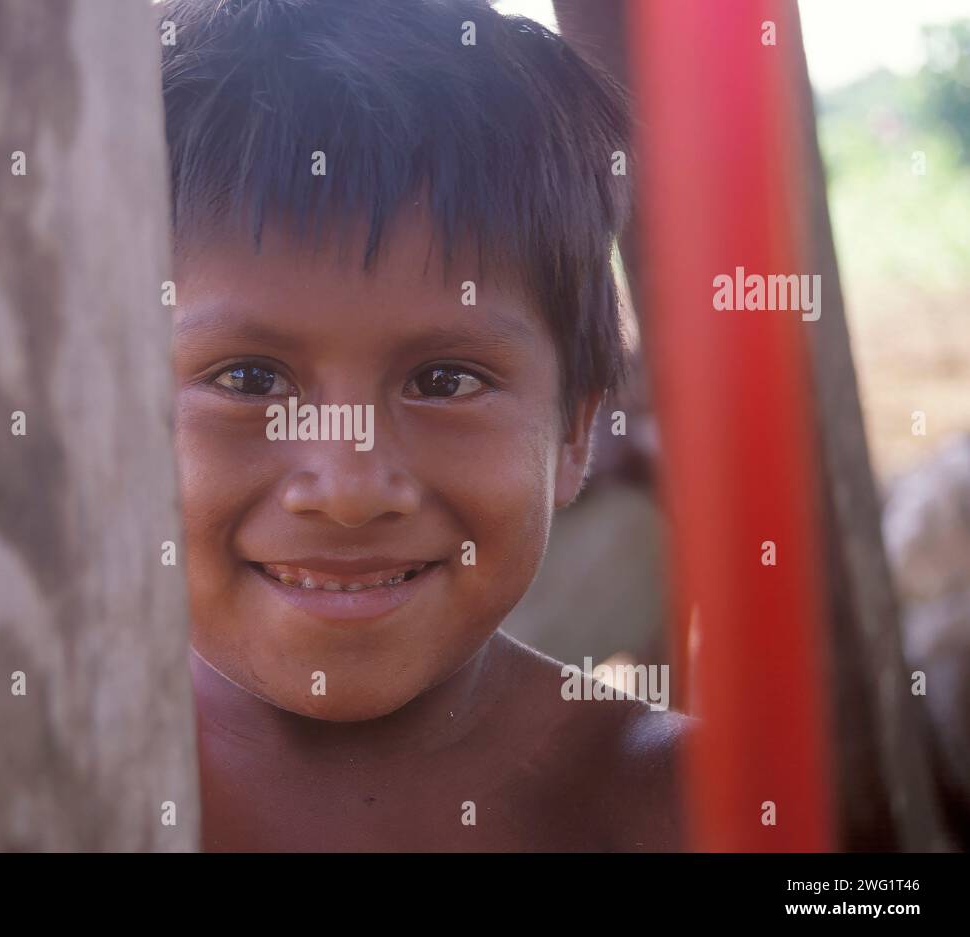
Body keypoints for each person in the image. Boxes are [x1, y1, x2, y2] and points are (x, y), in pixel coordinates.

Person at [162, 0, 690, 851]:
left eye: (445, 380)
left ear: (574, 431)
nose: (349, 488)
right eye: (250, 379)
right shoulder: (19, 784)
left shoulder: (682, 809)